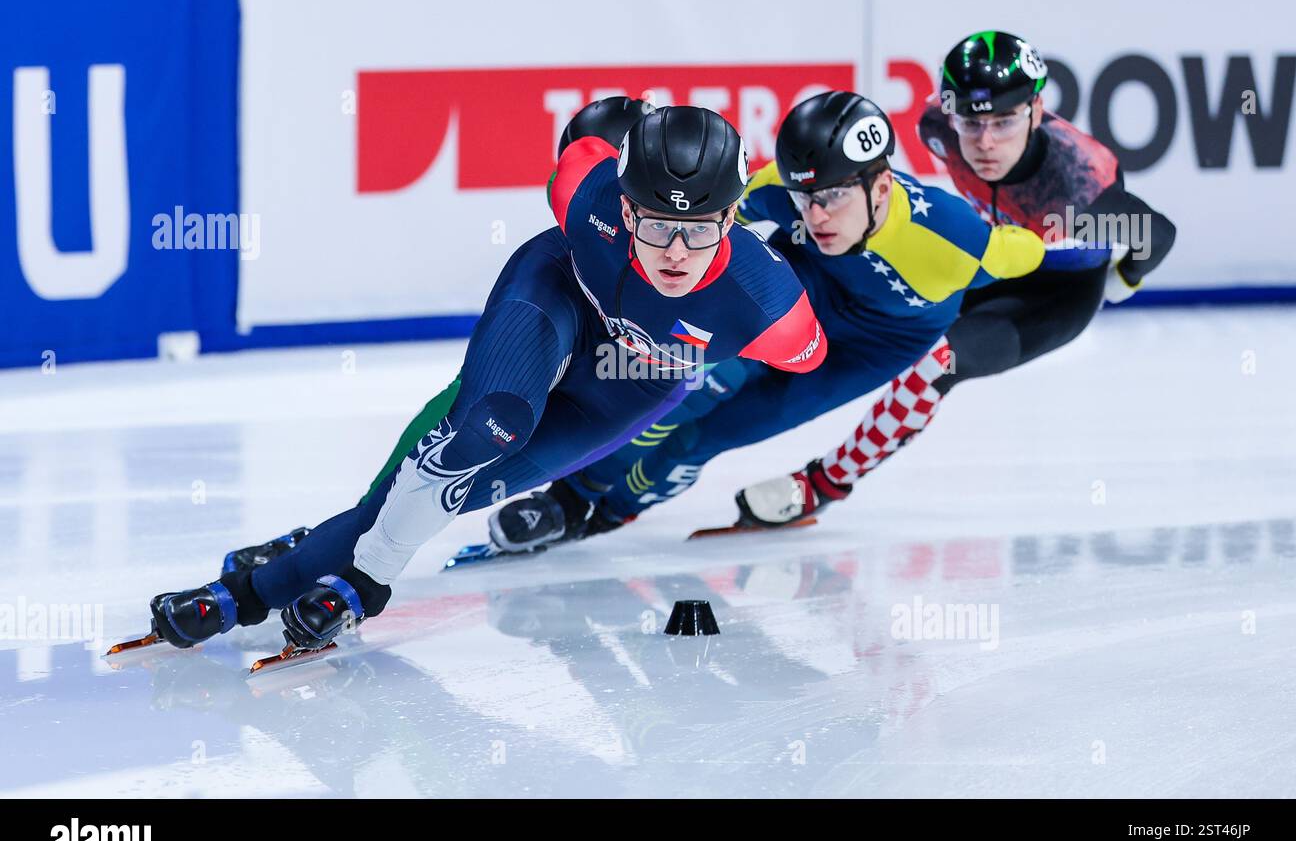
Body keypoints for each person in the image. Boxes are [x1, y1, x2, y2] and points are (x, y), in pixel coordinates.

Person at [122, 103, 825, 657]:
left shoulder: (775, 313)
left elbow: (806, 368)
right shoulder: (585, 187)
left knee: (447, 495)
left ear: (734, 217)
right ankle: (339, 585)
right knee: (486, 426)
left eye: (700, 229)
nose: (675, 253)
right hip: (554, 299)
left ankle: (273, 578)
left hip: (630, 385)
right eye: (653, 224)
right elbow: (588, 145)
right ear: (624, 205)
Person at [488, 90, 1055, 550]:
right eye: (805, 198)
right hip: (802, 292)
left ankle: (614, 509)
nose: (817, 213)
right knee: (694, 390)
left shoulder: (953, 240)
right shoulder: (780, 191)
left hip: (874, 346)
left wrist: (1092, 239)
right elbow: (699, 214)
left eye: (833, 198)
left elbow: (1033, 251)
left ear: (881, 187)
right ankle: (569, 497)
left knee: (707, 438)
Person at [735, 31, 1178, 526]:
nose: (985, 142)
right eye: (971, 122)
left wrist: (1123, 281)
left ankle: (822, 484)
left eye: (1005, 122)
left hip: (1057, 293)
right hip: (990, 263)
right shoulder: (935, 127)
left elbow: (1159, 235)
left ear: (1036, 109)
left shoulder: (1081, 189)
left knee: (936, 366)